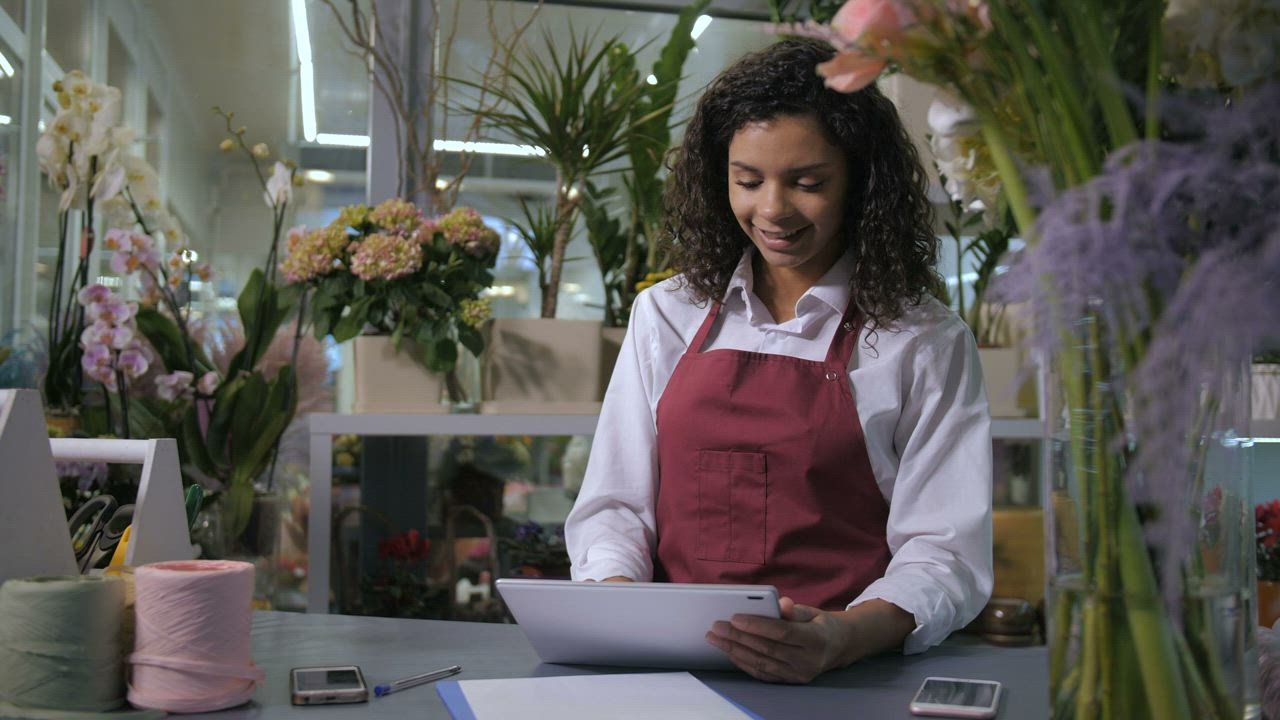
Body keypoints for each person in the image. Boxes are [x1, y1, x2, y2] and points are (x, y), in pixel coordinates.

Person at [564, 39, 993, 684]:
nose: (772, 210)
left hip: (845, 675)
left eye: (807, 183)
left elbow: (944, 552)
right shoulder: (666, 315)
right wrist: (619, 599)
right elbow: (616, 508)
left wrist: (844, 637)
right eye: (748, 181)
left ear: (859, 182)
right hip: (672, 675)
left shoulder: (922, 339)